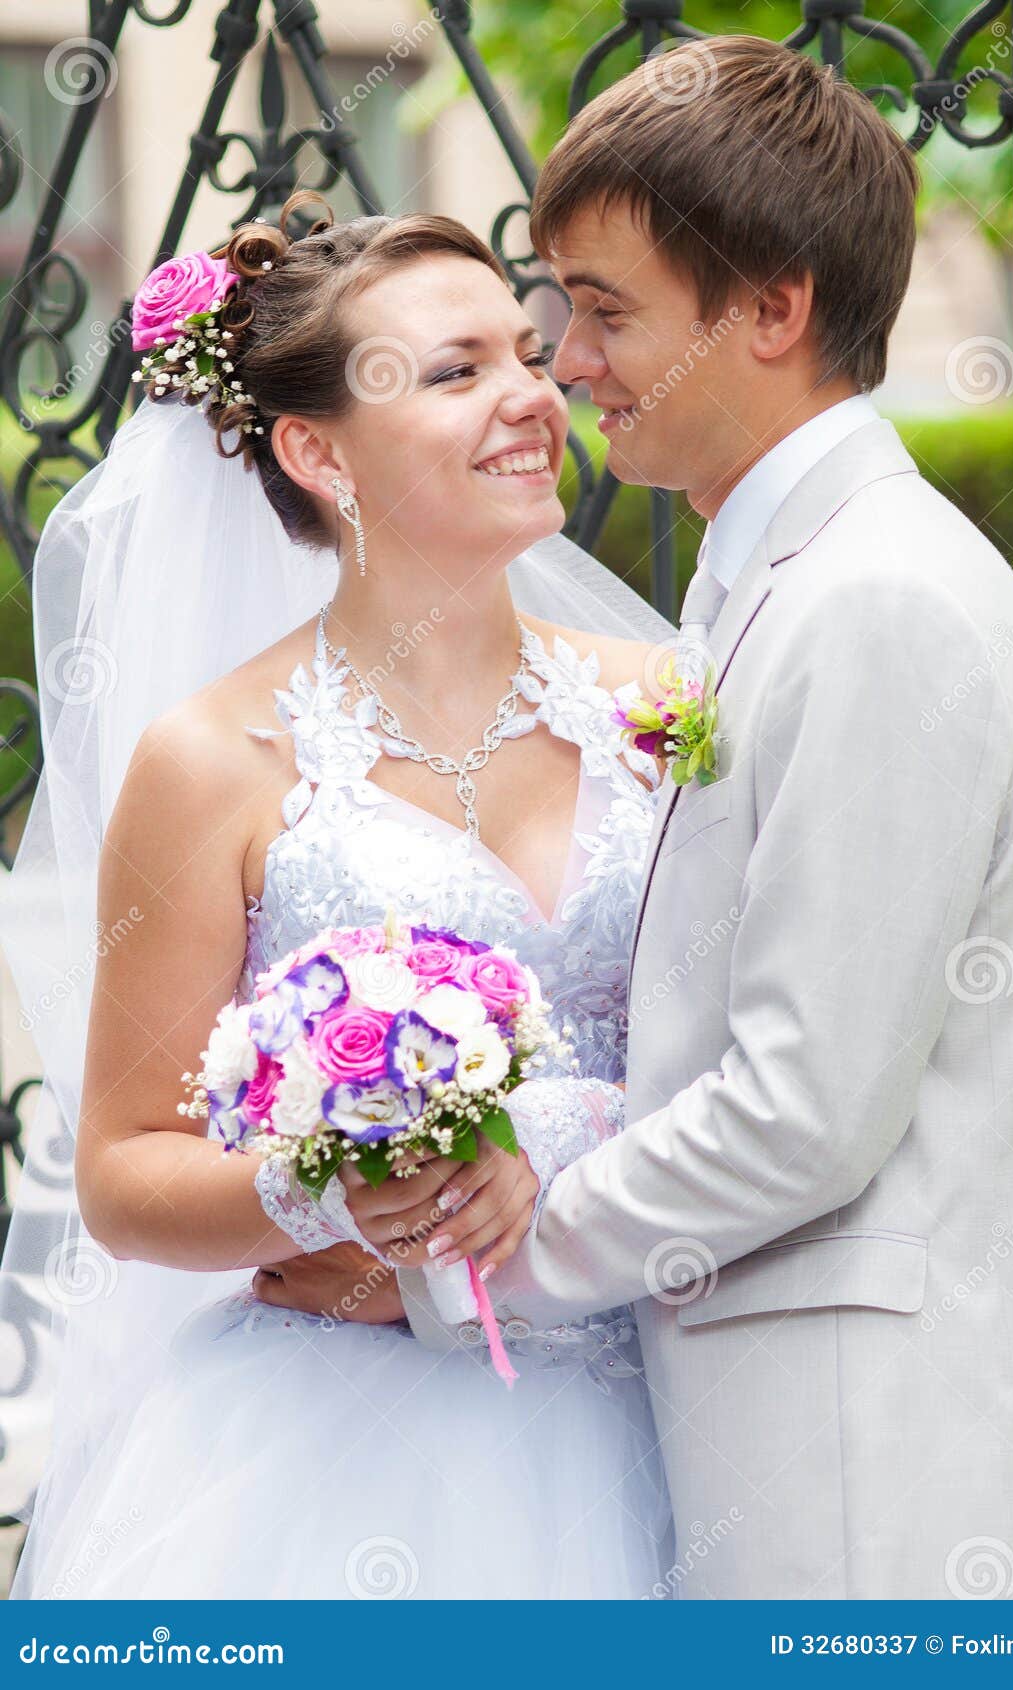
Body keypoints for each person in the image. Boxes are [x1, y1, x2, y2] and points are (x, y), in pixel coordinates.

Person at [289, 38, 1013, 1599]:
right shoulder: (780, 584)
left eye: (607, 309)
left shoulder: (879, 605)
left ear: (773, 309)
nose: (563, 363)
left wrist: (454, 1275)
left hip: (866, 1493)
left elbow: (801, 1110)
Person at [0, 193, 673, 1599]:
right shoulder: (211, 761)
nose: (531, 397)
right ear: (316, 450)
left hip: (681, 1399)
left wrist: (563, 1135)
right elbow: (127, 1169)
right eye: (456, 371)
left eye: (528, 351)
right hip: (348, 1457)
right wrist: (346, 1193)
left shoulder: (661, 707)